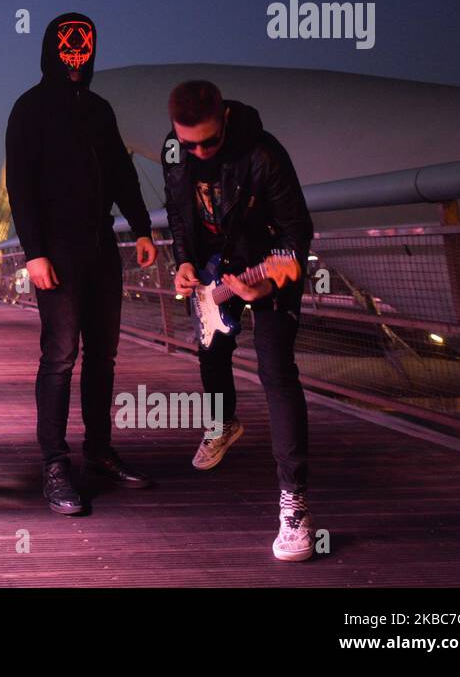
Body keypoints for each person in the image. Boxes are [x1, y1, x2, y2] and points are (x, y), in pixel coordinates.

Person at [5, 12, 158, 515]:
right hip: (58, 251)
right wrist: (35, 253)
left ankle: (99, 451)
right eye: (69, 45)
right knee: (60, 357)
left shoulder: (100, 108)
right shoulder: (28, 109)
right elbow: (21, 189)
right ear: (52, 47)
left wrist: (140, 227)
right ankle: (54, 462)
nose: (77, 54)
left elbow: (120, 170)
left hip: (100, 248)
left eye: (85, 45)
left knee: (103, 357)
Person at [161, 79, 315, 561]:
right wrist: (183, 261)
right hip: (212, 274)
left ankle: (295, 507)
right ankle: (222, 424)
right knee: (211, 353)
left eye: (210, 141)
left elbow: (297, 233)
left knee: (276, 372)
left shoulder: (264, 153)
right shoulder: (175, 151)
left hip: (266, 267)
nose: (200, 151)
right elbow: (179, 215)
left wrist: (268, 283)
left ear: (225, 117)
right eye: (189, 144)